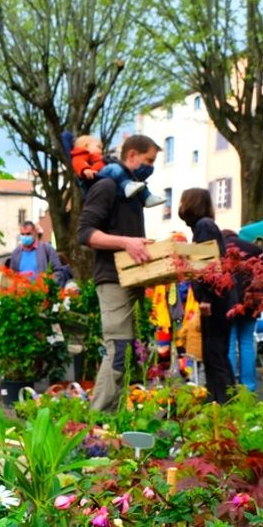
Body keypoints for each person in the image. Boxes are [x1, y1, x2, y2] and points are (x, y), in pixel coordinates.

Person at [77, 134, 162, 412]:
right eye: (149, 160)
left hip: (131, 279)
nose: (151, 167)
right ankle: (94, 423)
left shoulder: (134, 193)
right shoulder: (106, 185)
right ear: (133, 155)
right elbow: (85, 233)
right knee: (119, 350)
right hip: (112, 279)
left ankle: (114, 421)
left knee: (130, 354)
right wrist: (126, 242)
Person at [179, 188, 234, 403]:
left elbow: (209, 264)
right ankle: (219, 401)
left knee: (214, 354)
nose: (181, 207)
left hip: (215, 301)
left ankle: (222, 403)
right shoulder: (203, 227)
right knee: (213, 353)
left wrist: (206, 298)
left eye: (183, 202)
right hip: (217, 299)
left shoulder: (203, 226)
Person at [222, 229, 263, 392]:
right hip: (251, 302)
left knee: (230, 344)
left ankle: (231, 387)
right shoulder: (254, 249)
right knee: (247, 343)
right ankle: (249, 387)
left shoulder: (220, 248)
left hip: (228, 304)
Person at [70, 134, 164, 208]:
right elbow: (78, 163)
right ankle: (127, 185)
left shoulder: (98, 158)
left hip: (101, 175)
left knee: (134, 180)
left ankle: (147, 197)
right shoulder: (81, 154)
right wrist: (85, 170)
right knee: (114, 168)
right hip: (96, 176)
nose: (101, 150)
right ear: (85, 146)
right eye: (98, 147)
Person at [7, 220, 71, 285]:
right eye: (23, 234)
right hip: (21, 291)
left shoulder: (47, 249)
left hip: (41, 291)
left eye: (28, 234)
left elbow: (58, 271)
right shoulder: (16, 253)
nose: (25, 237)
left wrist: (50, 282)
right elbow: (12, 275)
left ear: (34, 232)